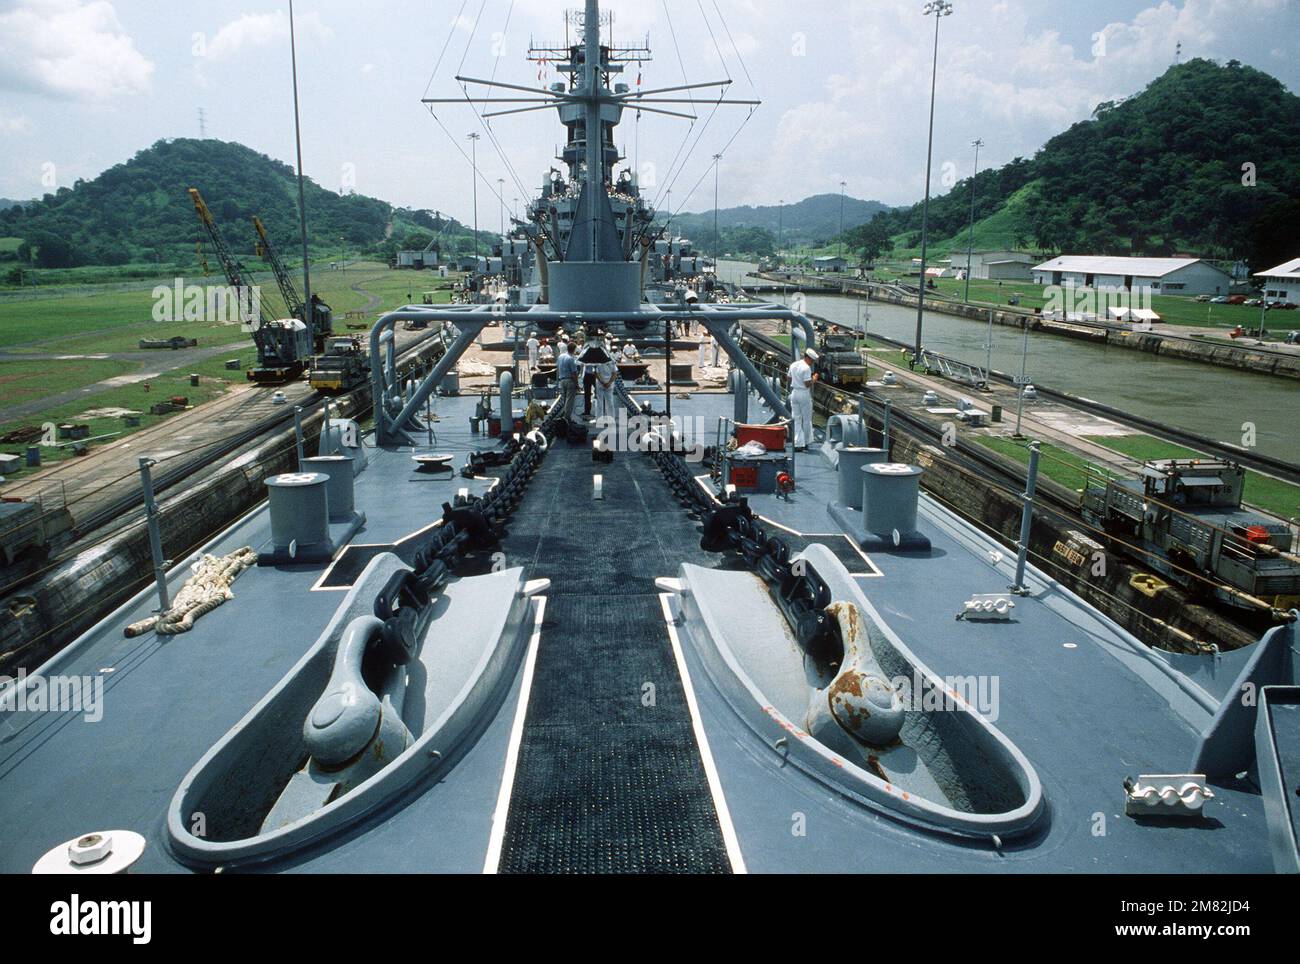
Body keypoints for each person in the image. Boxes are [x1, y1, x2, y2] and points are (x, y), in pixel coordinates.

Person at [787, 347, 818, 451]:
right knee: (806, 419)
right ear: (809, 358)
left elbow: (789, 378)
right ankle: (805, 442)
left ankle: (797, 443)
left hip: (794, 393)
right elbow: (807, 384)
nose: (812, 363)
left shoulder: (793, 365)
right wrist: (814, 379)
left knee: (796, 419)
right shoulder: (806, 368)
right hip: (803, 394)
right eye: (812, 361)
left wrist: (796, 381)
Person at [556, 341, 580, 419]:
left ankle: (564, 415)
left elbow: (558, 368)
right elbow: (574, 373)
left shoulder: (560, 356)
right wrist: (577, 384)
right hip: (570, 381)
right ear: (574, 350)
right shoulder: (571, 359)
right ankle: (567, 418)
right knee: (569, 400)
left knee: (565, 399)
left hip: (562, 380)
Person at [594, 353, 618, 419]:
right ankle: (611, 418)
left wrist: (602, 382)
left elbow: (596, 373)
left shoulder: (597, 361)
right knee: (610, 401)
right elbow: (615, 373)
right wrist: (609, 383)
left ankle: (599, 419)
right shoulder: (612, 361)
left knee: (599, 402)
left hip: (600, 383)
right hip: (609, 383)